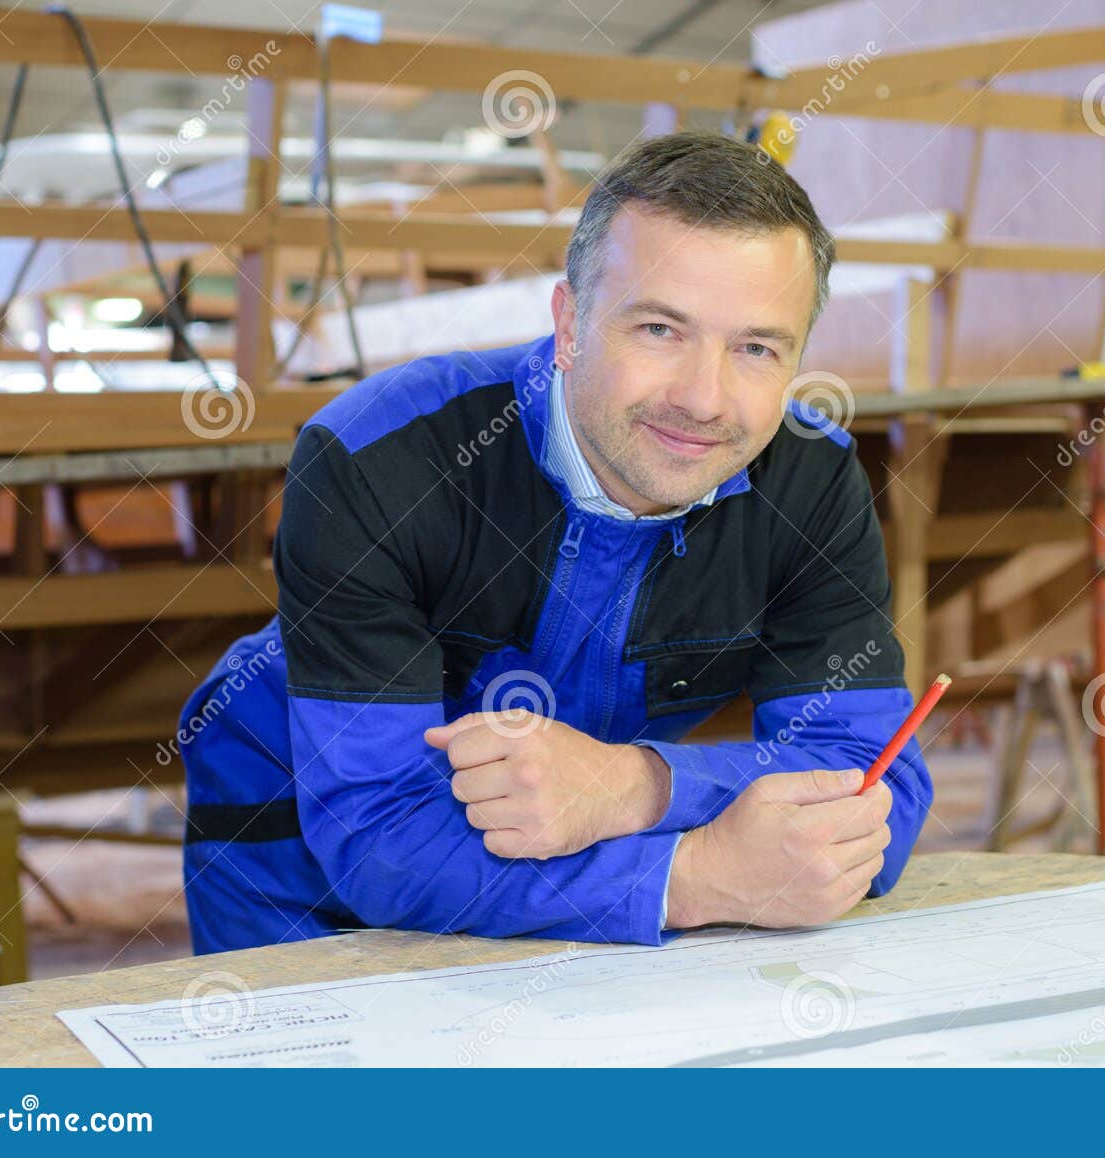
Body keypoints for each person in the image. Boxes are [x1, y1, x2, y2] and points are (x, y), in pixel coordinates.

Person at [179, 130, 933, 953]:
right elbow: (378, 840)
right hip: (302, 872)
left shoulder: (811, 483)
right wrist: (695, 875)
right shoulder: (378, 459)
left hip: (588, 867)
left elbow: (874, 780)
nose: (706, 398)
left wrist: (635, 788)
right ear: (570, 322)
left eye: (756, 348)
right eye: (658, 330)